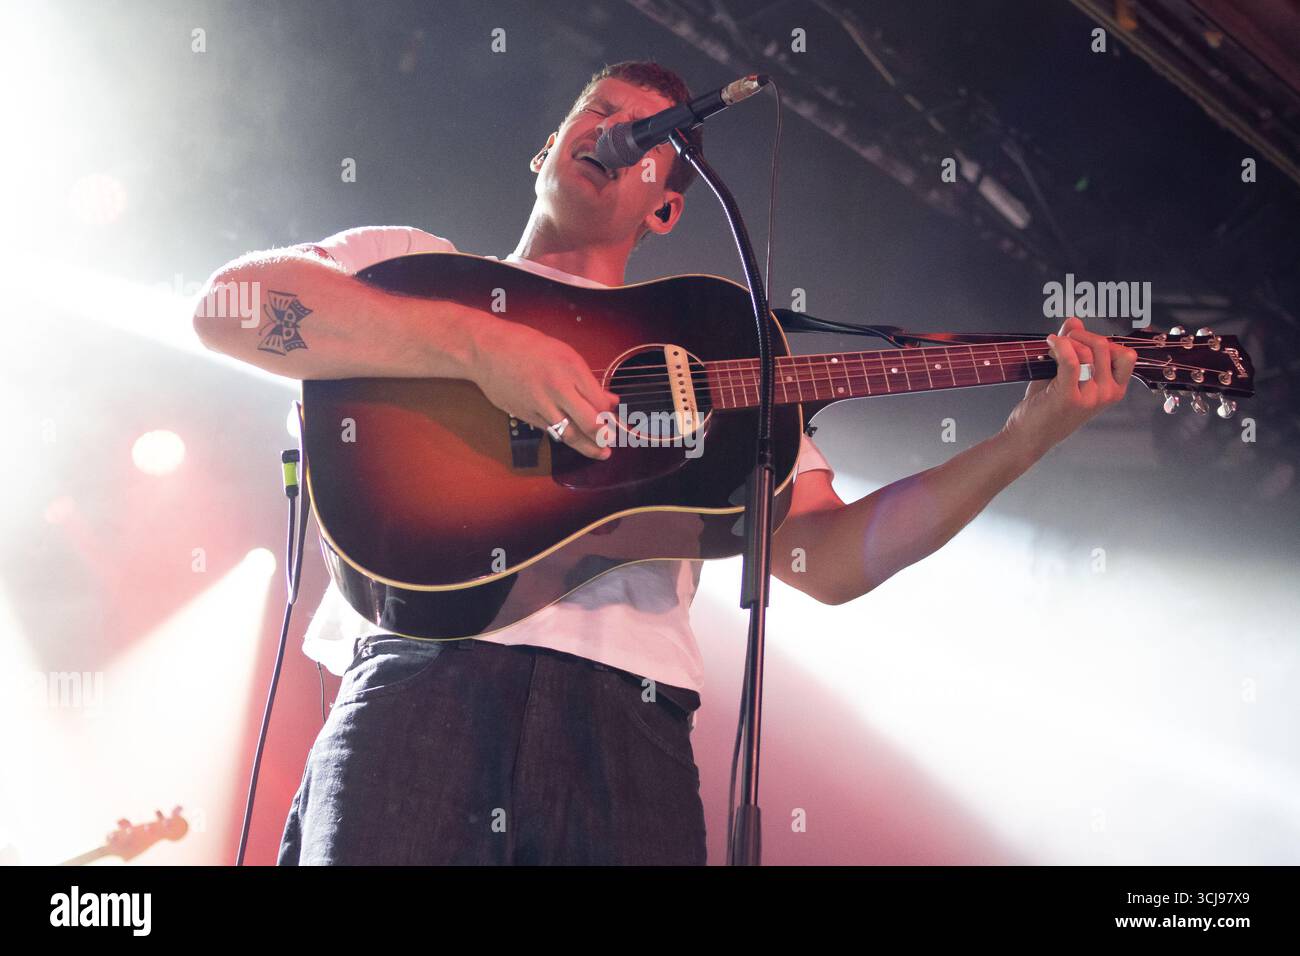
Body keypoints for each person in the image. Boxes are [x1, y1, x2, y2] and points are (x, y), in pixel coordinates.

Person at [192, 61, 1137, 865]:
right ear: (547, 149)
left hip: (630, 731)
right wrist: (480, 349)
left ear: (669, 205)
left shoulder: (713, 350)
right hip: (423, 684)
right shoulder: (407, 261)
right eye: (596, 111)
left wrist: (1022, 442)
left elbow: (828, 560)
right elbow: (227, 309)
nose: (612, 130)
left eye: (644, 134)